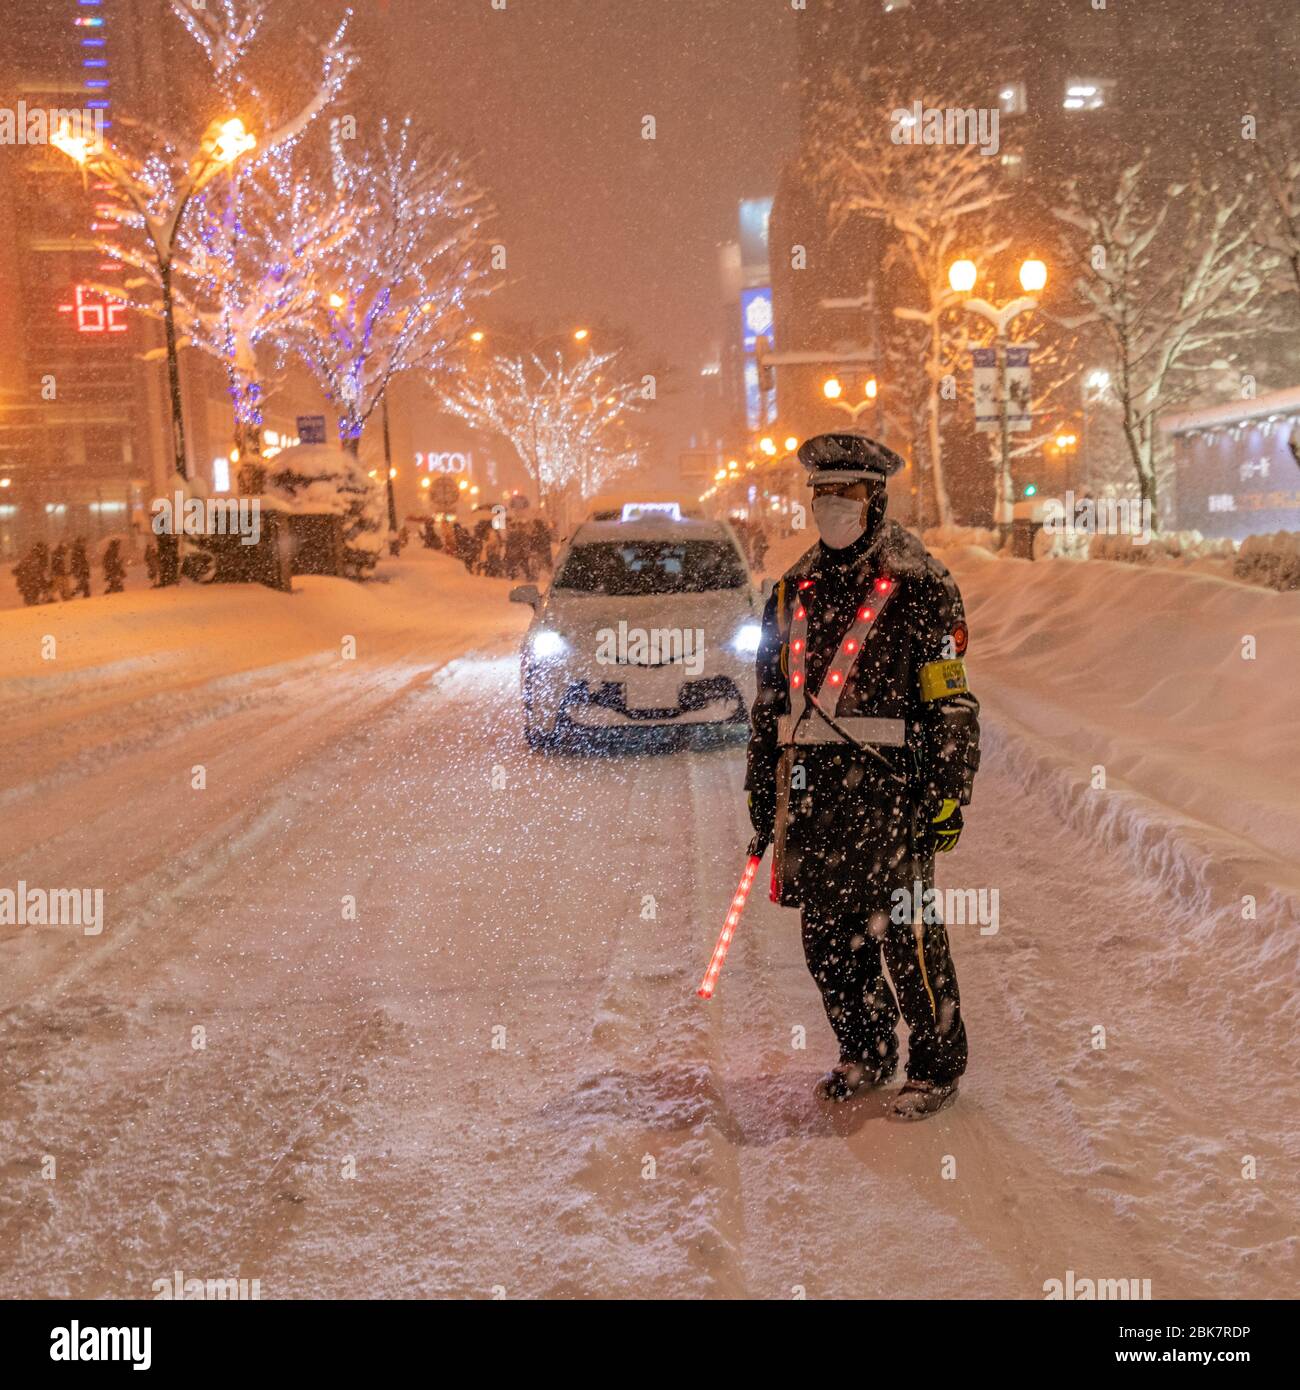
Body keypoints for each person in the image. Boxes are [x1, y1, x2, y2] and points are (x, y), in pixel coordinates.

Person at [746, 433, 981, 1121]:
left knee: (905, 936)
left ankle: (935, 1068)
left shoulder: (921, 586)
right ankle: (866, 1049)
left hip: (892, 795)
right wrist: (763, 791)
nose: (830, 508)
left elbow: (951, 698)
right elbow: (769, 705)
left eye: (844, 494)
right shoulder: (792, 589)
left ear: (875, 501)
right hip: (813, 797)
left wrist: (947, 791)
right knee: (827, 939)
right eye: (821, 495)